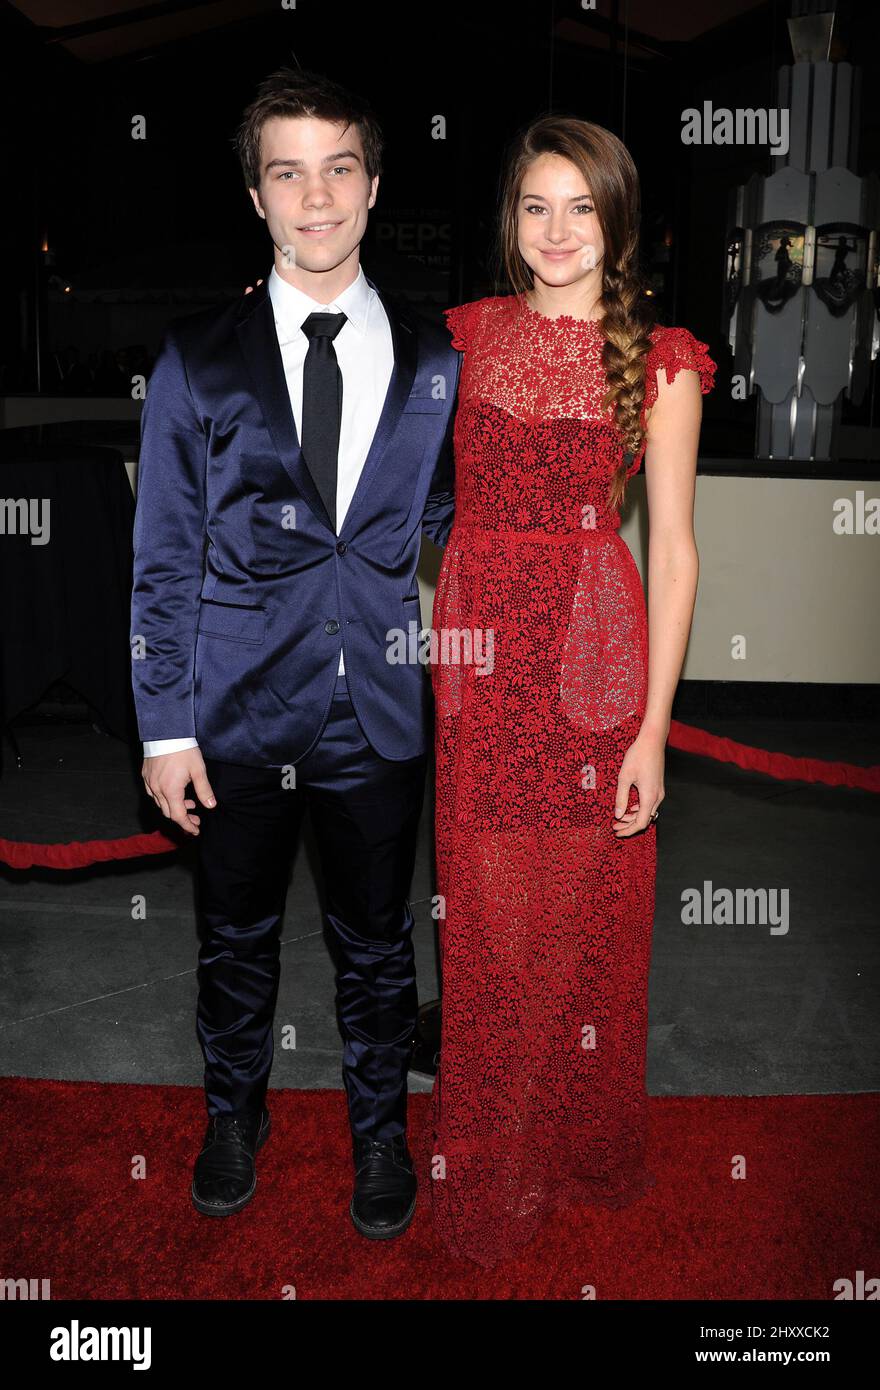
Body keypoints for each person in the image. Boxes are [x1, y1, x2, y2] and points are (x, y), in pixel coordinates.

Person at [130, 67, 458, 1239]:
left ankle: (381, 1134)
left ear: (373, 183)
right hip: (233, 713)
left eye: (337, 167)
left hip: (378, 708)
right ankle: (234, 1115)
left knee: (379, 950)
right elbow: (161, 559)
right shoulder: (194, 358)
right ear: (257, 196)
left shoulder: (435, 355)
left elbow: (457, 528)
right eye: (287, 172)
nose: (315, 196)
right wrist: (165, 727)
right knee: (235, 944)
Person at [430, 115, 716, 1267]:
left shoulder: (663, 358)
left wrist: (653, 732)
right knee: (490, 925)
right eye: (534, 205)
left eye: (579, 208)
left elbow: (679, 552)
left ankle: (574, 1149)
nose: (555, 231)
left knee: (579, 917)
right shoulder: (462, 337)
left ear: (617, 222)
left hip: (593, 669)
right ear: (511, 220)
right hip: (479, 672)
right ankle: (496, 1169)